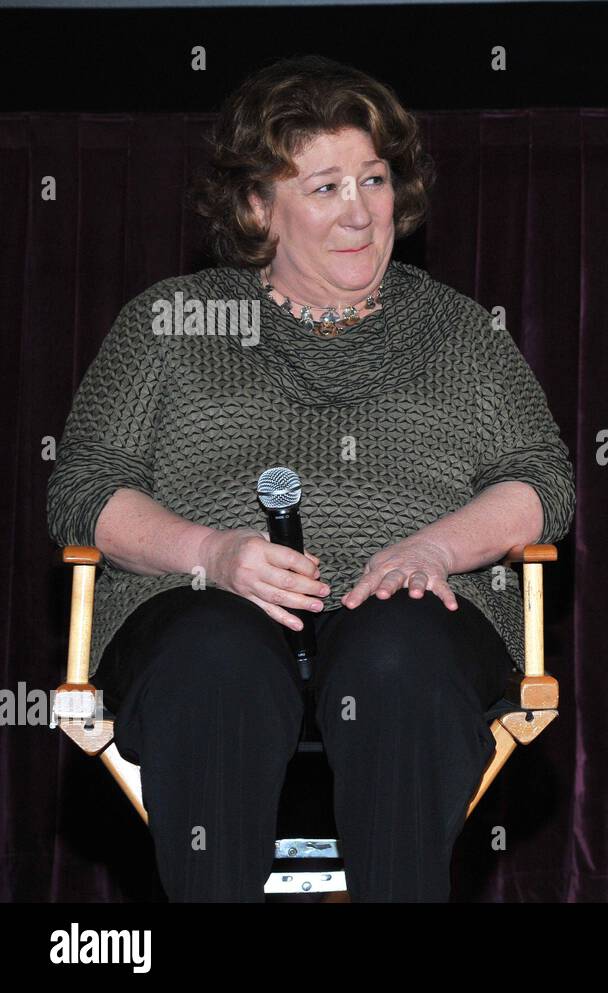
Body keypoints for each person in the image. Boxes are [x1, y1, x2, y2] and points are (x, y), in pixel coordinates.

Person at [46, 54, 575, 902]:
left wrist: (435, 548)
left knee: (397, 651)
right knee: (215, 652)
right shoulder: (168, 322)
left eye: (373, 179)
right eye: (324, 187)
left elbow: (543, 480)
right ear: (258, 206)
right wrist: (212, 554)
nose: (361, 211)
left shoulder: (459, 331)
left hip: (410, 623)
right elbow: (83, 488)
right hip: (200, 612)